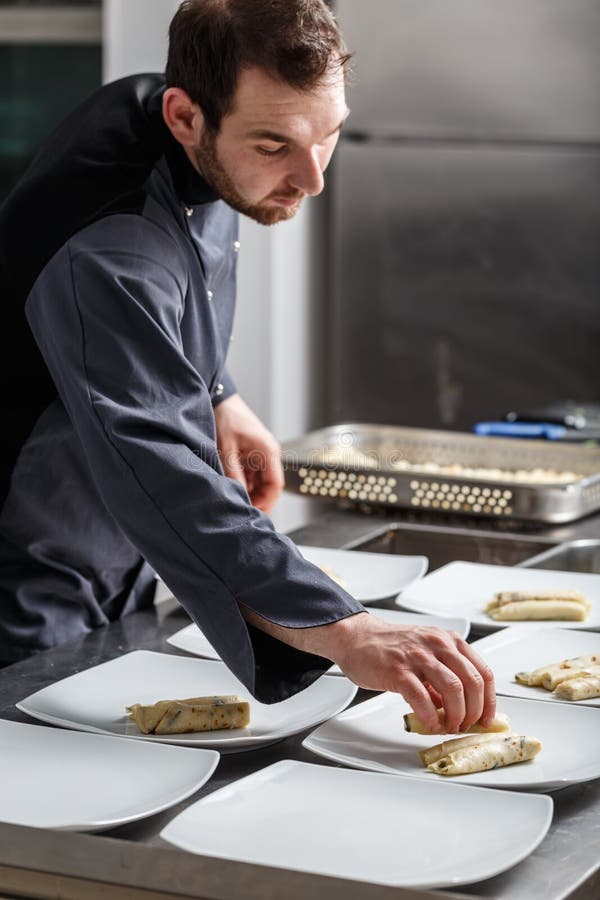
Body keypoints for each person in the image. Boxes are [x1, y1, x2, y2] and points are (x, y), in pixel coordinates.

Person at [0, 0, 494, 733]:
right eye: (274, 146)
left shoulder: (168, 118)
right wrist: (345, 628)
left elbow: (164, 304)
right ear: (184, 118)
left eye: (327, 135)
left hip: (119, 547)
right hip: (27, 569)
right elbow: (157, 463)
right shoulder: (109, 248)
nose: (312, 177)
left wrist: (216, 392)